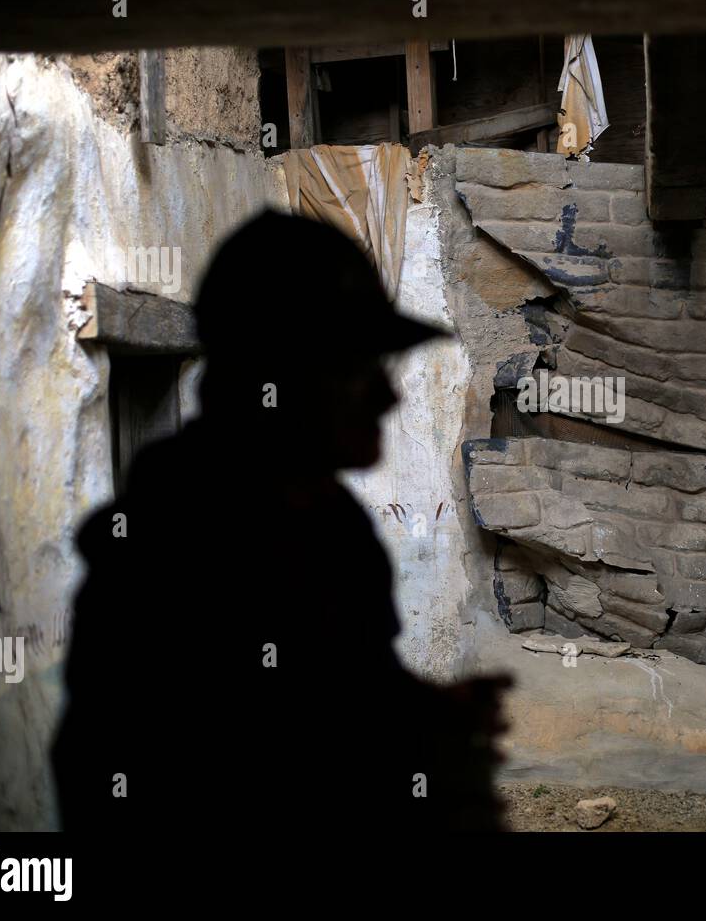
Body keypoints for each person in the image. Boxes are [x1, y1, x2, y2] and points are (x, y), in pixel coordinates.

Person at [52, 210, 509, 832]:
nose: (387, 395)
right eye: (356, 367)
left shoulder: (332, 523)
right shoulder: (167, 555)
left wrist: (427, 716)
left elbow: (347, 689)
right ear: (278, 377)